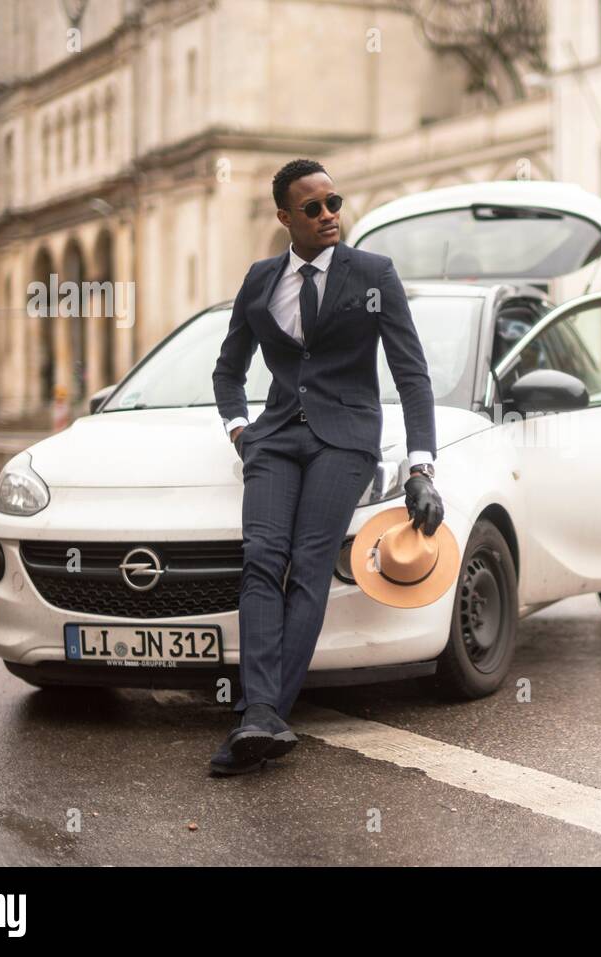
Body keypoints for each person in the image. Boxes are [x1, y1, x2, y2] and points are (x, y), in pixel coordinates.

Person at [209, 158, 444, 775]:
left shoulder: (372, 274)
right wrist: (240, 430)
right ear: (286, 217)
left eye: (334, 203)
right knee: (261, 559)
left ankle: (258, 715)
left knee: (309, 565)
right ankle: (263, 717)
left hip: (344, 440)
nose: (328, 216)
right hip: (277, 437)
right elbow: (227, 369)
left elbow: (411, 373)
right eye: (312, 208)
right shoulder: (261, 280)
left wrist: (421, 465)